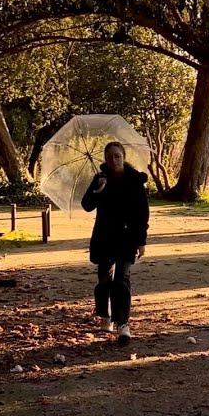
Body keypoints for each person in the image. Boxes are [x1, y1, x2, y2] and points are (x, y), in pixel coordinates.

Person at [81, 141, 150, 346]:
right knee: (104, 279)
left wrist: (141, 242)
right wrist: (97, 190)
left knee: (122, 278)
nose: (113, 160)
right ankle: (106, 314)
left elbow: (142, 213)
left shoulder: (135, 181)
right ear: (105, 159)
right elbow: (86, 206)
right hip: (104, 236)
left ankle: (123, 324)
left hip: (127, 237)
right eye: (109, 156)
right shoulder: (100, 179)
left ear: (124, 156)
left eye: (117, 156)